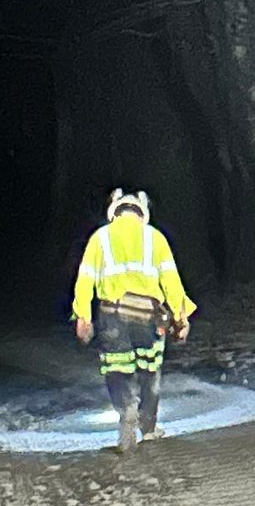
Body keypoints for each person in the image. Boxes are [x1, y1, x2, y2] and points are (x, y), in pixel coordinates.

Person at [72, 188, 195, 448]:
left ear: (114, 211)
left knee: (117, 368)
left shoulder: (100, 238)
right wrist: (180, 319)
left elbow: (85, 280)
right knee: (150, 370)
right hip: (148, 315)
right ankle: (148, 427)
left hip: (112, 316)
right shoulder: (155, 238)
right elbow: (172, 282)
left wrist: (83, 316)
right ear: (142, 211)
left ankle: (126, 409)